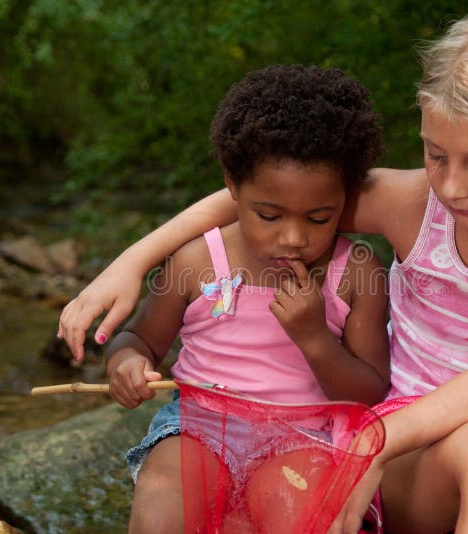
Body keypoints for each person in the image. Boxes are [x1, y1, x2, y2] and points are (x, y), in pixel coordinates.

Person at [59, 2, 468, 532]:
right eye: (435, 154)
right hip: (409, 451)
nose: (451, 186)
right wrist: (130, 264)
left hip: (437, 439)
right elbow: (266, 193)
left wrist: (374, 438)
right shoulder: (413, 201)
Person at [102, 64, 391, 533]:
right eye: (269, 215)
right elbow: (138, 338)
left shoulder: (354, 274)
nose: (294, 237)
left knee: (298, 511)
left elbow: (369, 394)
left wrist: (315, 338)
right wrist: (125, 364)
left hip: (304, 438)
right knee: (163, 500)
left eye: (319, 218)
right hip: (197, 429)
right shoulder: (197, 262)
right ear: (232, 186)